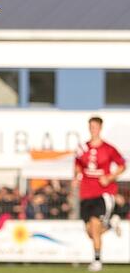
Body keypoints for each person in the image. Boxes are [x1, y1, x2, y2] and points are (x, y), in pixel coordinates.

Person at [74, 116, 126, 272]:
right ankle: (111, 223)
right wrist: (76, 177)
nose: (93, 129)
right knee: (90, 232)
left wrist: (109, 177)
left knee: (95, 227)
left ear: (100, 128)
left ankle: (97, 261)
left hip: (103, 194)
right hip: (86, 194)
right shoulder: (82, 148)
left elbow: (122, 165)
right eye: (91, 126)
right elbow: (77, 165)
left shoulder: (109, 148)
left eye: (95, 126)